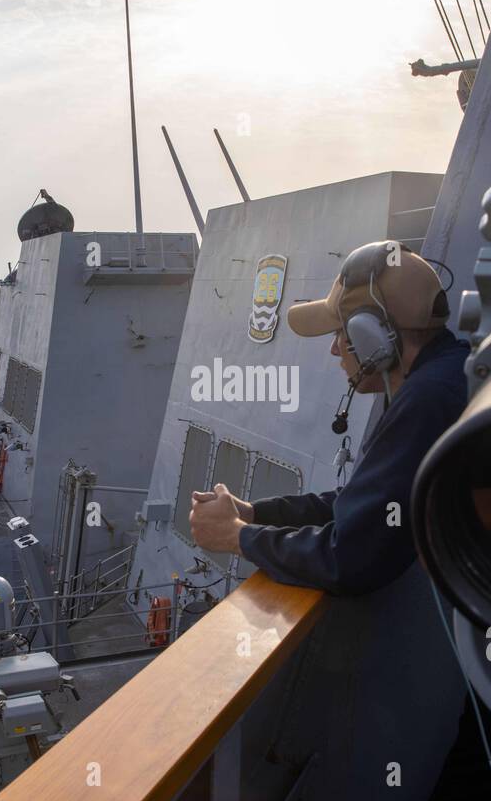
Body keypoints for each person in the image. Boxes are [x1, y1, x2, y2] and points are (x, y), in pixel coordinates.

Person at [189, 240, 469, 595]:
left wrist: (236, 537)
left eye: (341, 332)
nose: (335, 349)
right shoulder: (446, 374)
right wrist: (253, 514)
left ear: (373, 339)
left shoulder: (428, 399)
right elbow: (362, 503)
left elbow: (352, 558)